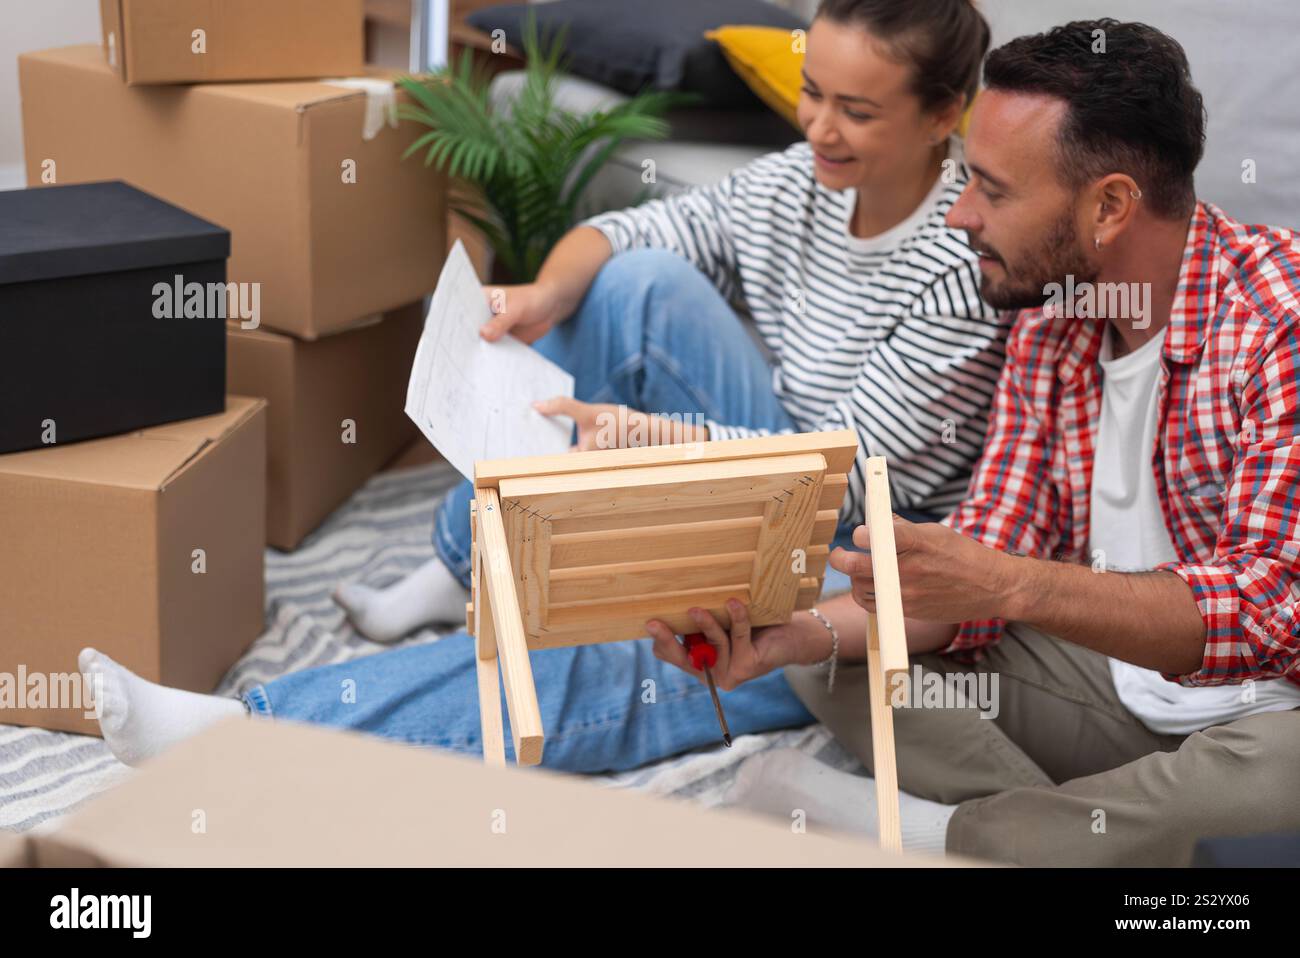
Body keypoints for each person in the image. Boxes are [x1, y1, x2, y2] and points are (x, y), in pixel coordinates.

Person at [79, 0, 1005, 783]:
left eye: (856, 111)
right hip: (783, 450)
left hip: (854, 546)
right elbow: (630, 228)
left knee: (617, 655)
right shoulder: (801, 182)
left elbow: (839, 480)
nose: (819, 127)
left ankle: (247, 737)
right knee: (635, 282)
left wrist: (648, 440)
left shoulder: (962, 267)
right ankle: (465, 563)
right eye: (811, 93)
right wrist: (543, 295)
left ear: (942, 117)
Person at [649, 18, 1300, 866]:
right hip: (1115, 691)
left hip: (1270, 715)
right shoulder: (1050, 320)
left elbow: (1267, 616)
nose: (959, 215)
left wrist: (1012, 582)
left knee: (1272, 773)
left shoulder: (1277, 323)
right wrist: (792, 634)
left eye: (992, 190)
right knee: (833, 649)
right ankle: (1098, 840)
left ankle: (950, 836)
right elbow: (991, 550)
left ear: (1109, 207)